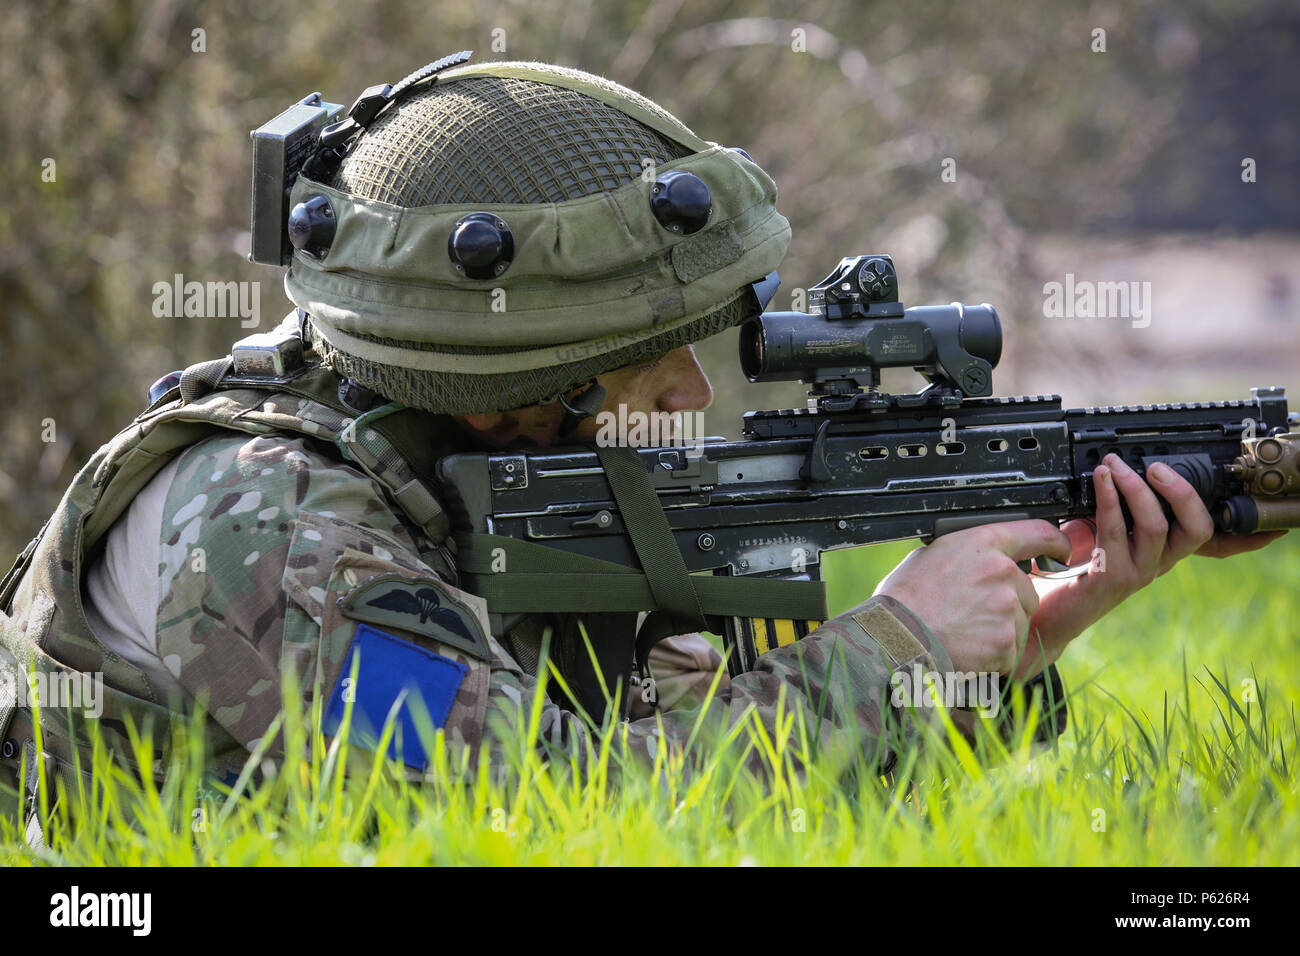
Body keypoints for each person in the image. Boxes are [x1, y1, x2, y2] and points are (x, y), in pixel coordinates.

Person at [0, 58, 1282, 824]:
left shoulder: (499, 488)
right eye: (646, 356)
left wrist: (998, 657)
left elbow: (752, 790)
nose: (689, 392)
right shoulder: (266, 532)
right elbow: (542, 810)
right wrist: (892, 647)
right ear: (511, 376)